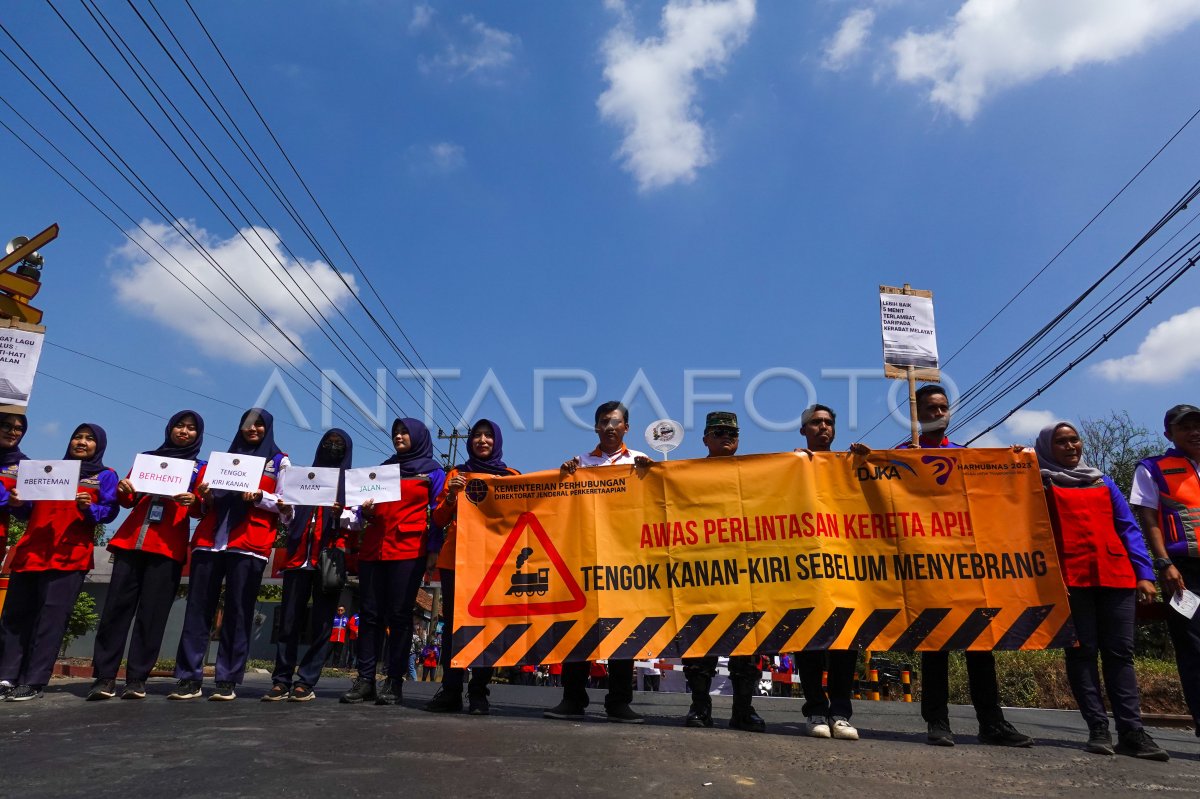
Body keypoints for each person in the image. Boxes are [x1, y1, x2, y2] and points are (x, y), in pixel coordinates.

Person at [901, 385, 1032, 747]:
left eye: (943, 407)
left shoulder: (965, 456)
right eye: (930, 408)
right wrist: (863, 458)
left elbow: (992, 495)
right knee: (935, 647)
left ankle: (992, 723)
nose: (938, 414)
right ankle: (937, 723)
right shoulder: (899, 456)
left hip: (968, 568)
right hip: (927, 568)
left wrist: (1015, 463)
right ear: (917, 413)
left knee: (981, 647)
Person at [1035, 421, 1168, 760]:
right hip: (1069, 581)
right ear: (1048, 448)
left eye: (1074, 440)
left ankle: (1132, 732)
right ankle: (1098, 728)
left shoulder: (1102, 481)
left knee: (1120, 654)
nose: (1070, 447)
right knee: (1082, 653)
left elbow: (1128, 528)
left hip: (1117, 577)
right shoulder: (1038, 485)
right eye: (1061, 442)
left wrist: (1144, 573)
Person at [169, 408, 292, 702]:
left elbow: (289, 508)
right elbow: (204, 505)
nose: (253, 430)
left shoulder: (279, 461)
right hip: (210, 542)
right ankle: (189, 677)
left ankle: (227, 678)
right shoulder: (221, 460)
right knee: (198, 611)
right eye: (248, 424)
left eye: (260, 425)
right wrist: (206, 495)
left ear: (268, 428)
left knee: (238, 612)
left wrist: (261, 497)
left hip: (249, 542)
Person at [544, 400, 651, 724]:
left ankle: (618, 701)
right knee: (579, 625)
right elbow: (562, 502)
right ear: (595, 427)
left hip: (626, 557)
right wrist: (564, 478)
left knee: (625, 629)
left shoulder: (639, 463)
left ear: (626, 428)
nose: (609, 427)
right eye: (604, 422)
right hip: (586, 555)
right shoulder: (580, 463)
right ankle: (573, 697)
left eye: (616, 422)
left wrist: (653, 476)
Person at [88, 411, 205, 701]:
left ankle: (137, 679)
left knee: (152, 616)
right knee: (115, 612)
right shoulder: (147, 459)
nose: (184, 432)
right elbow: (127, 500)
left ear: (197, 435)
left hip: (167, 548)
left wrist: (196, 500)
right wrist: (125, 488)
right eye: (180, 425)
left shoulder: (199, 468)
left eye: (191, 429)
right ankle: (104, 677)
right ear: (170, 428)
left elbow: (201, 510)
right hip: (130, 544)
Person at [0, 423, 119, 701]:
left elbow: (109, 512)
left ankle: (34, 680)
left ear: (98, 446)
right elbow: (27, 511)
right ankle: (6, 676)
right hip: (31, 553)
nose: (82, 442)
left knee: (50, 620)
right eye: (77, 436)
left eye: (89, 439)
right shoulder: (47, 471)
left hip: (68, 556)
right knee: (15, 618)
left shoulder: (104, 476)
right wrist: (19, 503)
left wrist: (89, 507)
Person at [340, 417, 445, 706]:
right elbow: (360, 511)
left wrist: (434, 550)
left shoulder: (433, 472)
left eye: (404, 432)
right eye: (396, 432)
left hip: (409, 550)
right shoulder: (383, 469)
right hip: (374, 549)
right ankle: (364, 680)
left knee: (399, 617)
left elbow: (438, 515)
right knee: (370, 615)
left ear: (419, 436)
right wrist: (366, 511)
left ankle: (394, 681)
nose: (398, 436)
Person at [425, 419, 519, 715]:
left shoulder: (512, 476)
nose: (482, 440)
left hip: (494, 563)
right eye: (477, 435)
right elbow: (438, 520)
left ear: (497, 440)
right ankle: (451, 691)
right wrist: (451, 495)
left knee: (488, 626)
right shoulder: (457, 474)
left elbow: (523, 515)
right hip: (457, 561)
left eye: (488, 436)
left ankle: (479, 693)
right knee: (454, 626)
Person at [680, 411, 767, 732]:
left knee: (747, 646)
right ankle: (700, 707)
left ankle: (743, 709)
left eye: (731, 433)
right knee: (700, 646)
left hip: (745, 574)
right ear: (705, 439)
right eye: (717, 433)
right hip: (703, 571)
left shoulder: (753, 474)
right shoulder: (687, 474)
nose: (725, 437)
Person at [264, 429, 357, 702]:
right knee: (289, 622)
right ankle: (281, 679)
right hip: (297, 559)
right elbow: (289, 520)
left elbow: (358, 522)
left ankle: (306, 680)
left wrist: (341, 515)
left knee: (323, 623)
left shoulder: (350, 484)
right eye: (329, 442)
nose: (332, 447)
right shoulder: (304, 477)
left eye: (339, 444)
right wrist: (285, 510)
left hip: (327, 562)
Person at [1130, 403, 1200, 741]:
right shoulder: (1152, 468)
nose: (1195, 432)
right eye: (1186, 426)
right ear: (1169, 434)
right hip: (1183, 571)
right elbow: (1148, 519)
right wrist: (1163, 564)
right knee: (1193, 648)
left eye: (1199, 425)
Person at [794, 404, 863, 741]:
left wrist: (866, 463)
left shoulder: (847, 465)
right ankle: (815, 710)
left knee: (845, 641)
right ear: (803, 430)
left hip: (843, 567)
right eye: (815, 422)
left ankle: (840, 712)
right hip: (804, 568)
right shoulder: (789, 466)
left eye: (828, 422)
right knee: (807, 641)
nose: (823, 427)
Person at [0, 413, 29, 565]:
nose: (13, 432)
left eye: (19, 428)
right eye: (6, 426)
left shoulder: (26, 465)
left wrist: (18, 504)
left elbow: (28, 511)